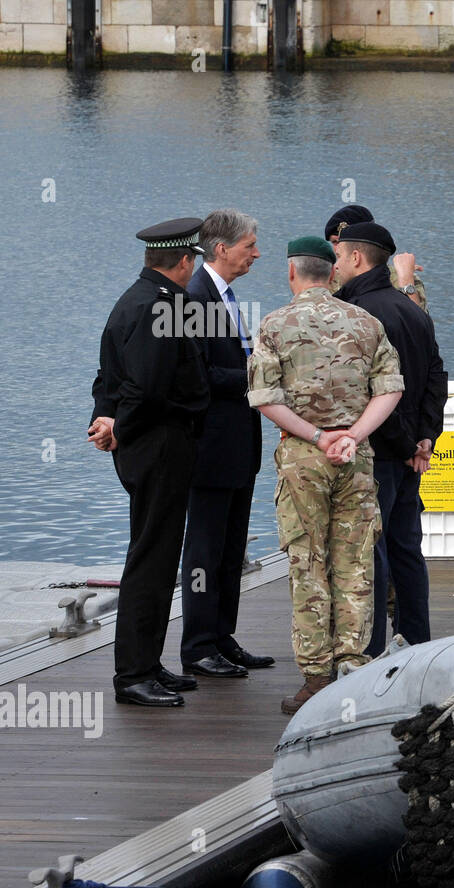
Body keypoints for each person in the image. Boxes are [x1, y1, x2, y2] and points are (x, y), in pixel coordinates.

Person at [247, 236, 404, 714]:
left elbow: (265, 399)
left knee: (307, 561)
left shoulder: (274, 324)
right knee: (356, 561)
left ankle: (316, 678)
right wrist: (351, 436)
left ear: (292, 272)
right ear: (331, 274)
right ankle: (353, 667)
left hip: (303, 460)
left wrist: (317, 437)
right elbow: (391, 390)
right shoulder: (366, 322)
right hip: (356, 458)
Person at [89, 218, 210, 707]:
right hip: (157, 445)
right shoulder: (160, 308)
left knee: (158, 557)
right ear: (183, 261)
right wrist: (118, 426)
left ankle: (149, 662)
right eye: (194, 260)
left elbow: (108, 379)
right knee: (151, 560)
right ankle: (133, 674)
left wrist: (105, 417)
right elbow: (145, 388)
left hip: (151, 442)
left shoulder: (137, 299)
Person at [333, 221, 447, 658]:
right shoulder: (412, 309)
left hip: (378, 455)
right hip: (409, 455)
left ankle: (371, 651)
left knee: (371, 555)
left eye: (340, 257)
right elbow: (436, 377)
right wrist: (425, 439)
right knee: (407, 551)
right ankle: (417, 645)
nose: (336, 266)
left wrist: (405, 445)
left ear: (358, 258)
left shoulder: (359, 316)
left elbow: (378, 392)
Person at [179, 209, 273, 679]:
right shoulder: (194, 299)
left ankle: (221, 635)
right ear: (221, 248)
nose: (256, 254)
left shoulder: (225, 297)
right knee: (204, 548)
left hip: (237, 447)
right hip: (211, 449)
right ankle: (197, 644)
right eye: (249, 246)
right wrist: (260, 377)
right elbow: (200, 377)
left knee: (231, 545)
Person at [323, 205, 427, 311]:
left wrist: (406, 280)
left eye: (342, 242)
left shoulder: (399, 279)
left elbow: (418, 323)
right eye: (334, 242)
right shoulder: (327, 278)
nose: (337, 249)